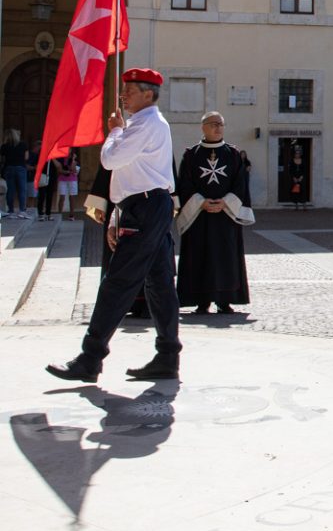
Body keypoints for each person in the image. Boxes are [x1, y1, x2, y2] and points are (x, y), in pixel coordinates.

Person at [47, 68, 181, 383]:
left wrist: (114, 132)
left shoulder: (143, 125)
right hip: (146, 206)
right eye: (124, 90)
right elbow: (128, 178)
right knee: (159, 284)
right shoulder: (146, 124)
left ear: (148, 94)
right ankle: (167, 355)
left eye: (129, 90)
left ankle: (91, 357)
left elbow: (110, 161)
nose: (123, 96)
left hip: (145, 208)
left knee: (118, 282)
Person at [175, 111, 253, 315]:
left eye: (221, 124)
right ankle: (201, 301)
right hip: (198, 217)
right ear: (203, 127)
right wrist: (200, 203)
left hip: (225, 217)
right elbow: (184, 183)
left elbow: (240, 184)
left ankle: (225, 300)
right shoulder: (191, 155)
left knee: (225, 258)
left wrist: (225, 203)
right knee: (199, 257)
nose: (218, 127)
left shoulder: (233, 154)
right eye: (213, 124)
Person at [1, 128, 28, 219]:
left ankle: (11, 211)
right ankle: (22, 211)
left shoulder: (4, 146)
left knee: (10, 190)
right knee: (22, 189)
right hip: (21, 168)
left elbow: (2, 159)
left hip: (9, 168)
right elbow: (26, 157)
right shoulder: (23, 145)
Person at [56, 150, 80, 220]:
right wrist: (66, 171)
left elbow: (74, 170)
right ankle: (59, 214)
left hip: (72, 180)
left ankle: (71, 215)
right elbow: (59, 170)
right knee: (62, 197)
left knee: (72, 198)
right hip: (62, 180)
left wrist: (73, 160)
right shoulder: (61, 158)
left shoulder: (75, 159)